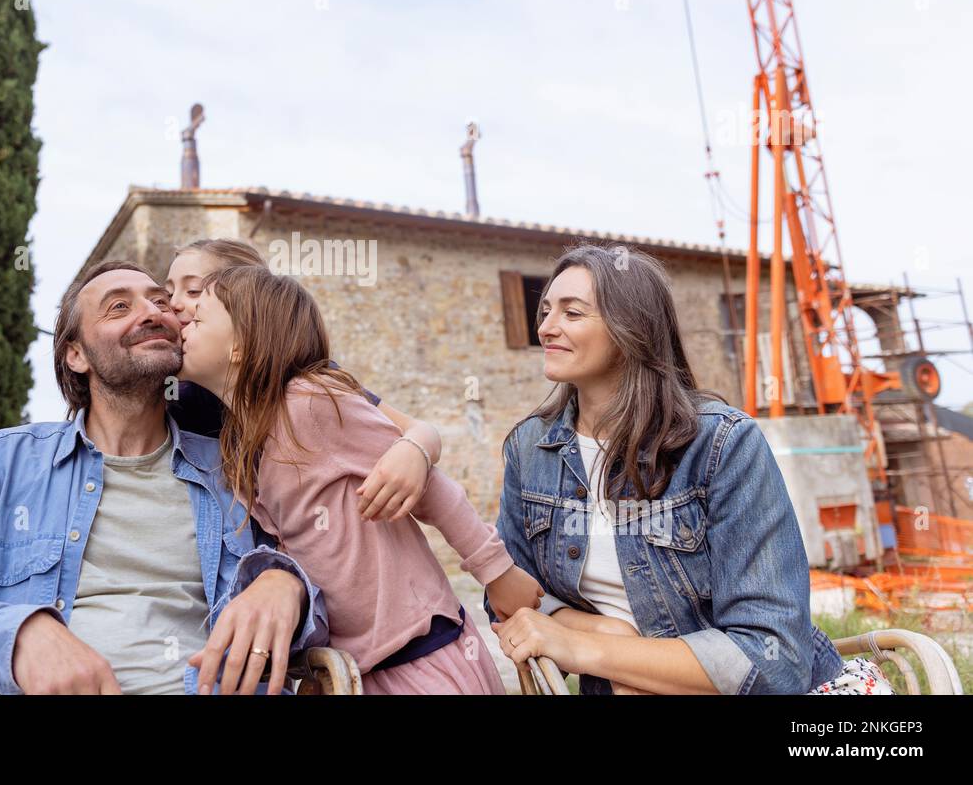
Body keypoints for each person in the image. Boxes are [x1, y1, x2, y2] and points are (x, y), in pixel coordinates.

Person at [0, 259, 327, 695]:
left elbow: (328, 600)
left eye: (161, 302)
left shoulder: (238, 471)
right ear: (76, 354)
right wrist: (16, 635)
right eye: (119, 306)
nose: (154, 312)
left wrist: (286, 585)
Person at [486, 242, 891, 695]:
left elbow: (774, 659)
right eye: (545, 311)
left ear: (630, 330)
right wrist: (599, 629)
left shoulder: (722, 444)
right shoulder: (531, 448)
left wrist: (586, 650)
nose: (546, 327)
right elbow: (506, 596)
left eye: (572, 313)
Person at [179, 264, 543, 694]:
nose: (183, 326)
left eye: (198, 319)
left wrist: (496, 573)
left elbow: (430, 486)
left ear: (239, 346)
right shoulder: (242, 444)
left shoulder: (311, 403)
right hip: (357, 674)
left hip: (423, 657)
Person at [165, 237, 438, 523]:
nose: (173, 304)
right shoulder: (181, 389)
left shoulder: (306, 383)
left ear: (250, 303)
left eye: (194, 291)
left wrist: (414, 450)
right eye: (167, 293)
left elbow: (417, 429)